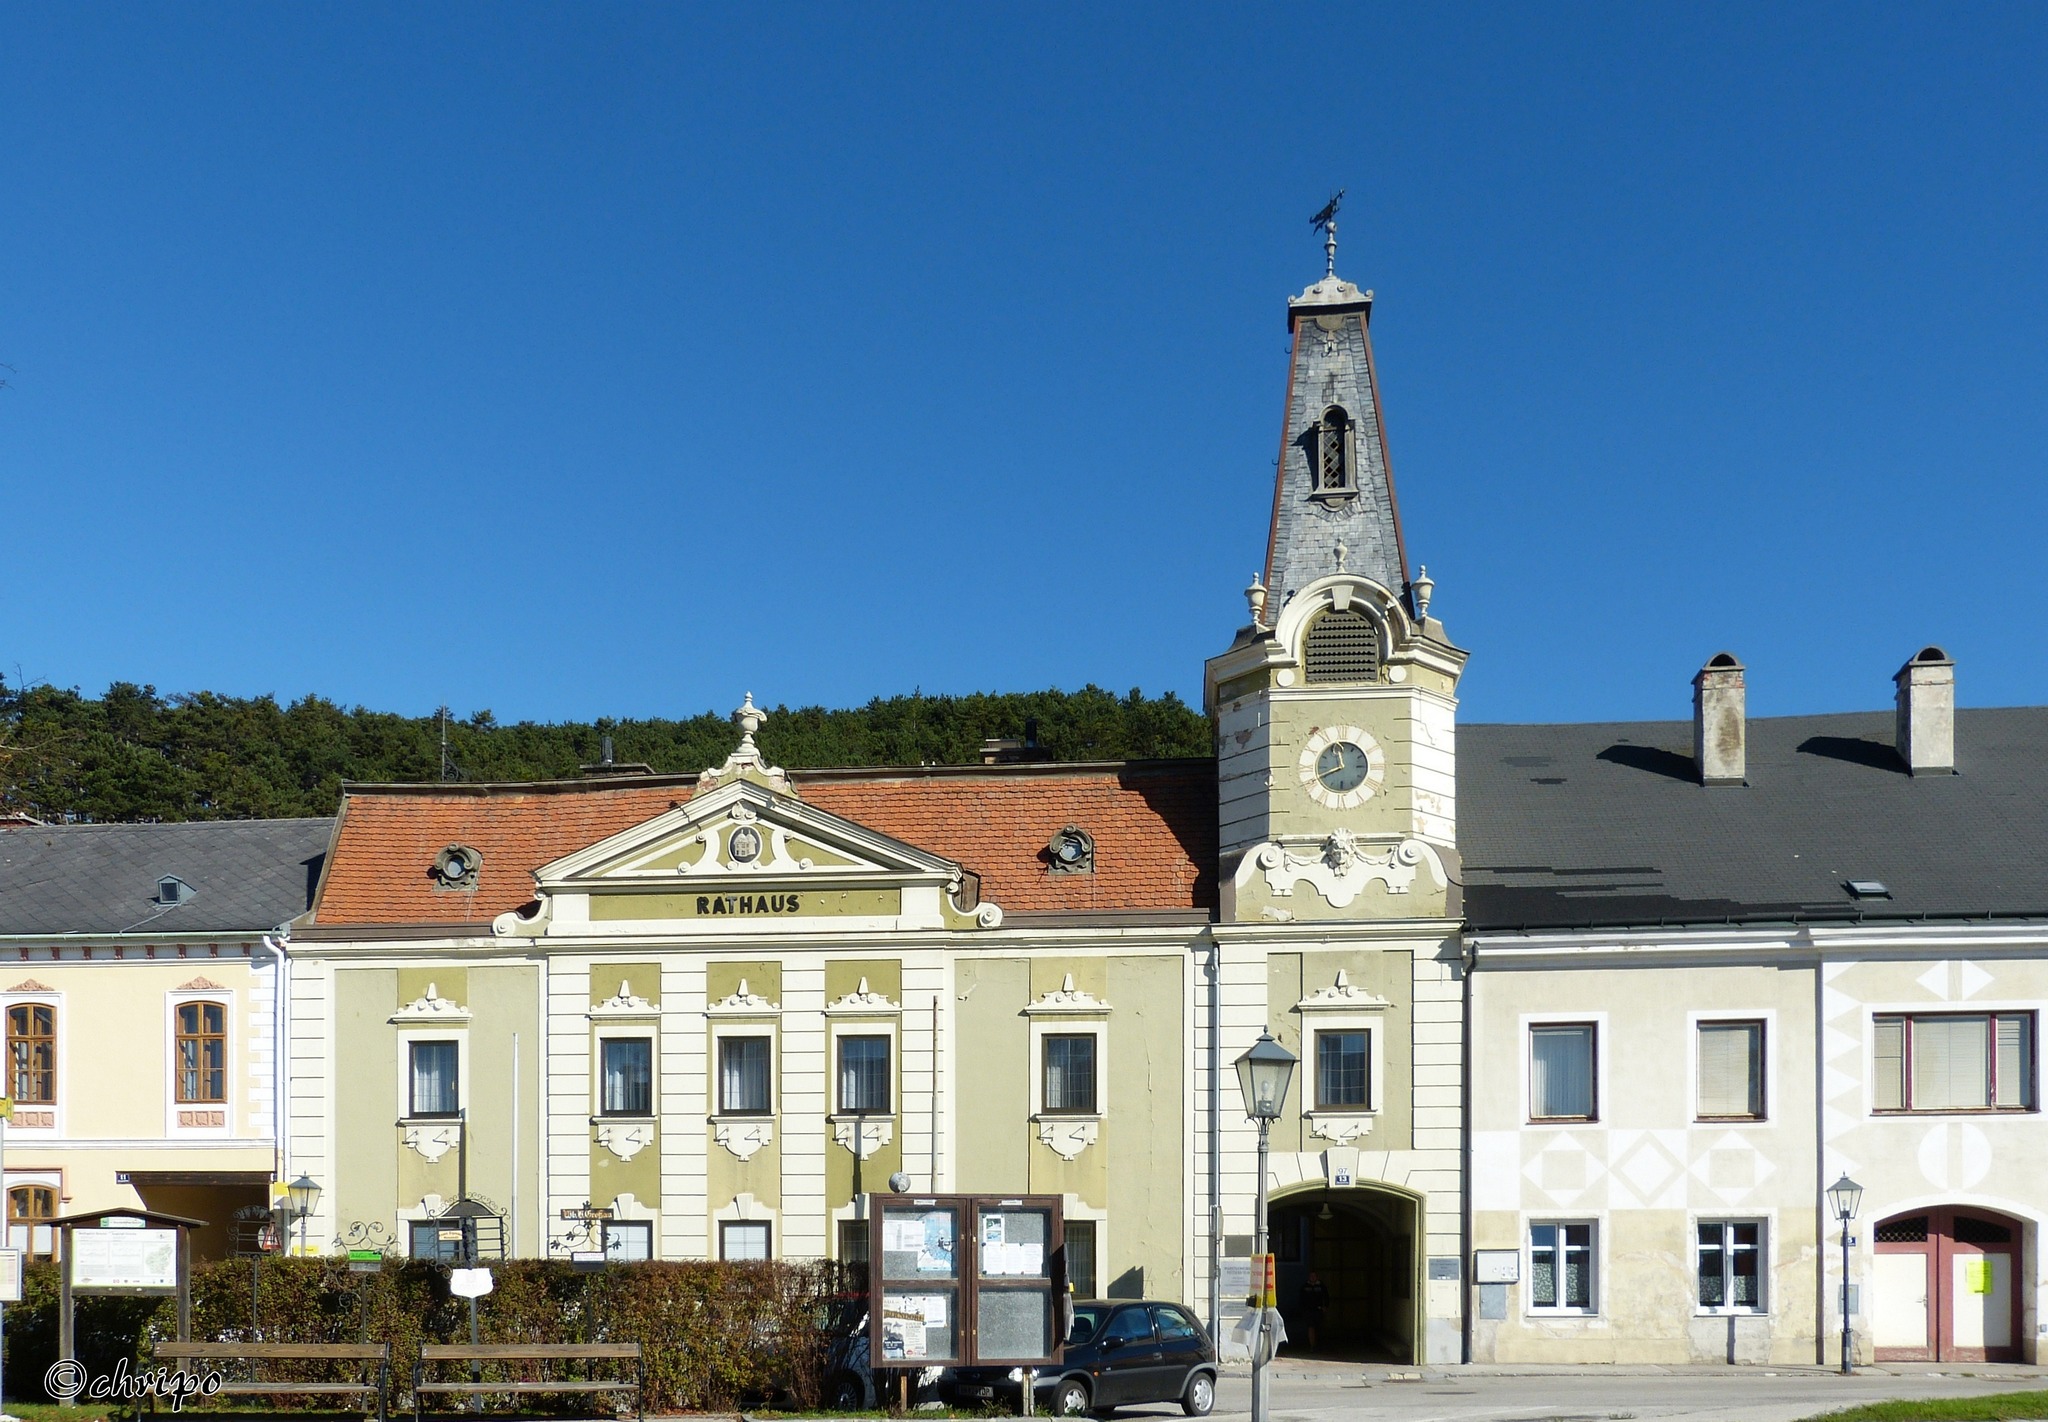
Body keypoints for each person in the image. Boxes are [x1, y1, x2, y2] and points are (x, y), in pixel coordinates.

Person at [1297, 1271, 1330, 1351]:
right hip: (1309, 1311)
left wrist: (1325, 1307)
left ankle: (1320, 1345)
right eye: (1311, 1276)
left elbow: (1326, 1297)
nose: (1312, 1277)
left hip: (1318, 1310)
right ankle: (1312, 1346)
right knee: (1310, 1327)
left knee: (1319, 1328)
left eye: (1314, 1276)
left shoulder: (1321, 1286)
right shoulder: (1305, 1287)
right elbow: (1301, 1299)